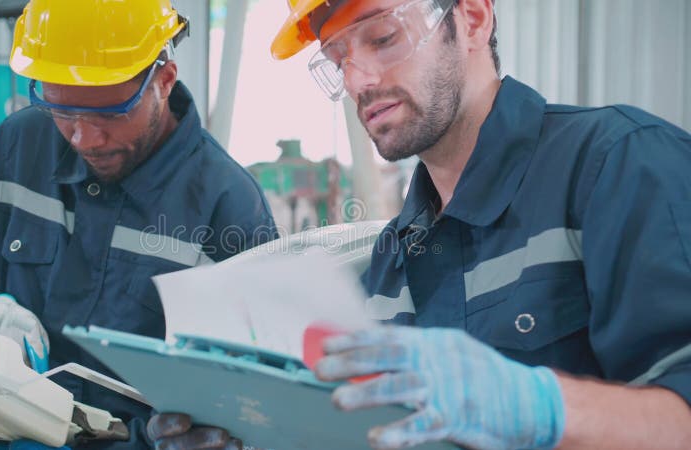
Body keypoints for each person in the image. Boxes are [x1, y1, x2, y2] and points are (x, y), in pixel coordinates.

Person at [271, 0, 691, 449]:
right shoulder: (393, 254)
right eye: (339, 62)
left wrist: (543, 406)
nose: (358, 81)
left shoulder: (620, 165)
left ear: (472, 18)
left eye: (383, 38)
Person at [0, 1, 276, 449]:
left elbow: (250, 394)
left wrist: (160, 438)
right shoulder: (17, 146)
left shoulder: (228, 204)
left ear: (165, 80)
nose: (84, 137)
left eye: (110, 115)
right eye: (63, 109)